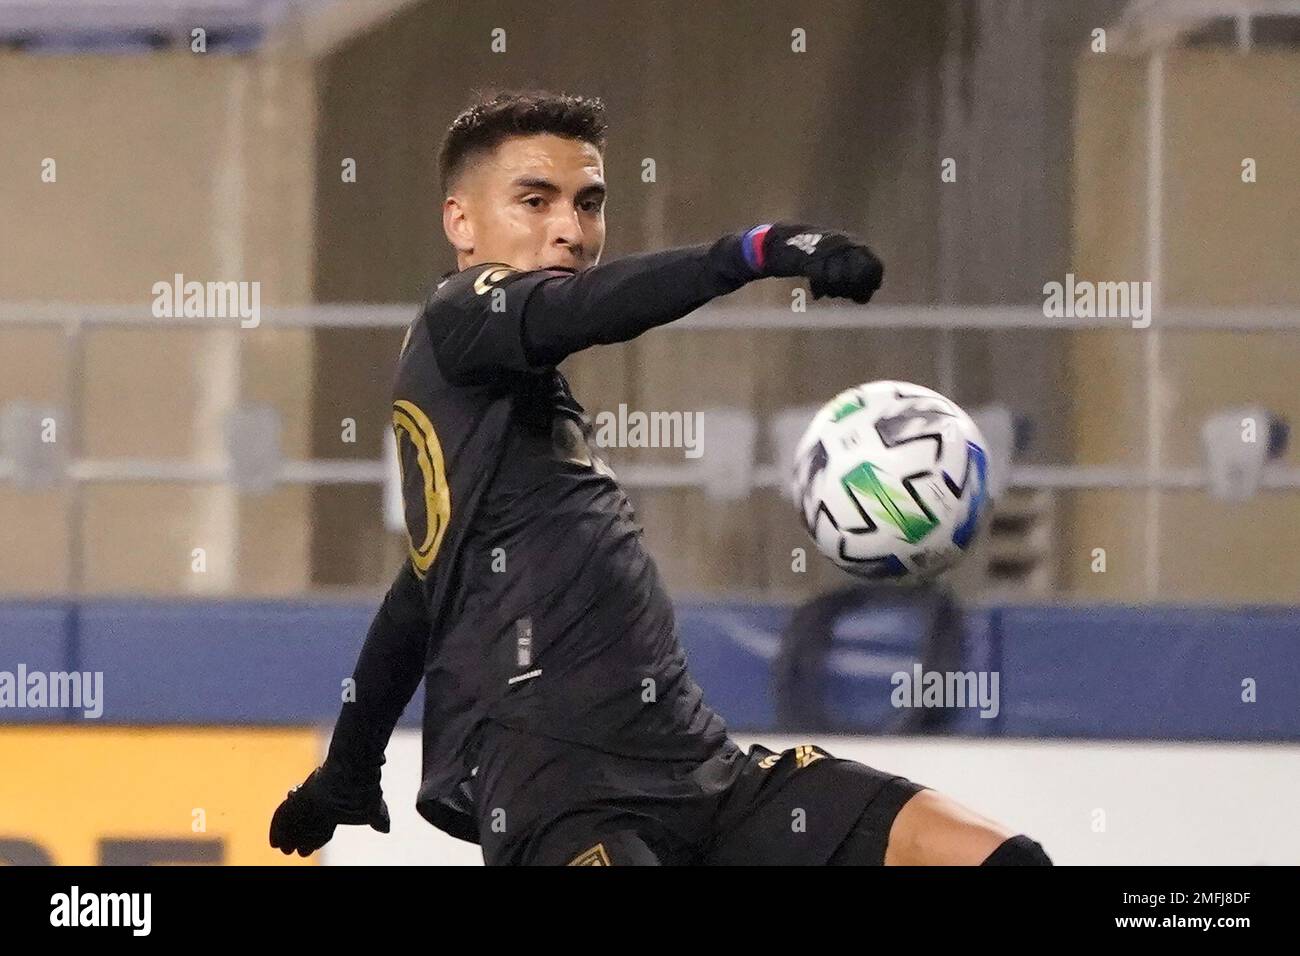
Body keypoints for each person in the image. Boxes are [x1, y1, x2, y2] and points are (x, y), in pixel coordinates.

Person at [270, 89, 1050, 866]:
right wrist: (755, 251)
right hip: (562, 790)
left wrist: (348, 767)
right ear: (461, 223)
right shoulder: (460, 313)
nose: (570, 230)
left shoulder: (499, 410)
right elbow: (580, 309)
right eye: (535, 201)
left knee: (1002, 860)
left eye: (589, 202)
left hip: (704, 775)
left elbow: (421, 591)